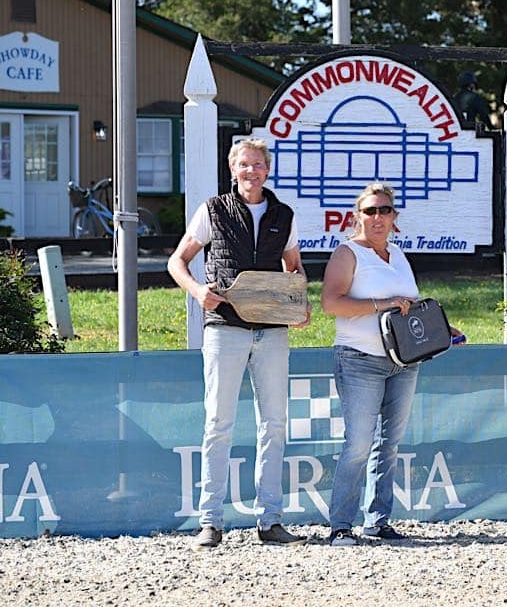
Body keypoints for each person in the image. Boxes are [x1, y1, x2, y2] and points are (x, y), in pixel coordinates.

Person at [167, 138, 309, 550]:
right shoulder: (213, 210)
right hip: (224, 327)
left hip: (271, 330)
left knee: (275, 423)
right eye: (244, 164)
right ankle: (210, 521)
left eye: (258, 164)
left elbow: (294, 267)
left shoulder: (284, 215)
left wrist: (299, 302)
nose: (251, 171)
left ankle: (270, 520)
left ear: (267, 169)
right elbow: (177, 261)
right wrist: (198, 291)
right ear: (233, 169)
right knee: (218, 423)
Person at [321, 182, 464, 546]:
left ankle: (377, 520)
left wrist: (441, 328)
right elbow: (331, 304)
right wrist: (381, 304)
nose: (378, 217)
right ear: (357, 216)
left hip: (403, 361)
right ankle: (340, 526)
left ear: (394, 216)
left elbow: (407, 306)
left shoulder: (398, 254)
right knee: (358, 444)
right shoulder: (348, 253)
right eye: (370, 211)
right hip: (359, 360)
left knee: (389, 444)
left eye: (384, 210)